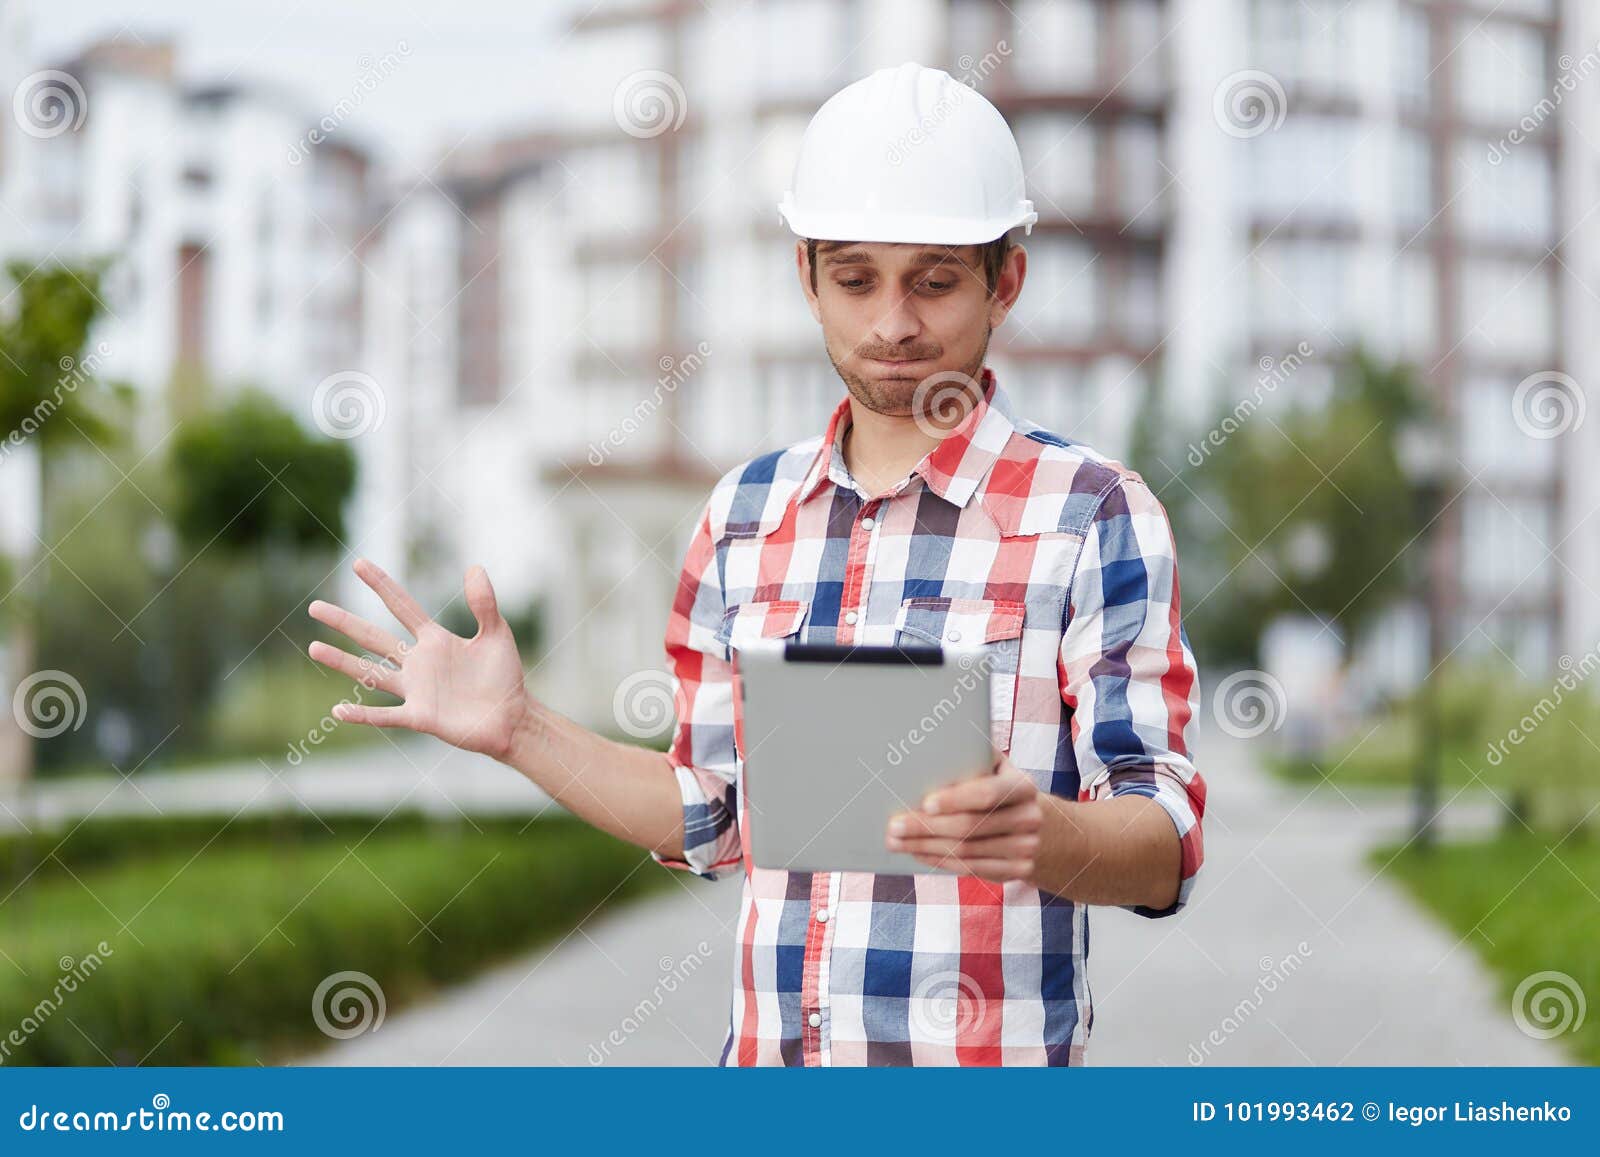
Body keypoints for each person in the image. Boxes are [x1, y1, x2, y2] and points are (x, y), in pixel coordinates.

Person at [307, 61, 1207, 1066]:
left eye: (935, 279)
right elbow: (716, 815)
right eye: (856, 277)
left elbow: (1163, 839)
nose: (892, 323)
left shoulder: (1092, 515)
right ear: (806, 277)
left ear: (1006, 281)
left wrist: (1049, 835)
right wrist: (519, 730)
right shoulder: (746, 516)